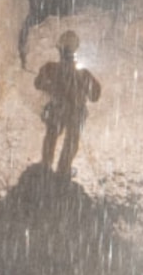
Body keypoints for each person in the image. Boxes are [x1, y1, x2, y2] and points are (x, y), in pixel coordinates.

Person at [34, 29, 102, 176]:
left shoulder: (50, 68)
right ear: (76, 49)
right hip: (76, 112)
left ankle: (46, 166)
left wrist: (53, 88)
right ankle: (63, 169)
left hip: (57, 109)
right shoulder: (83, 74)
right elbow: (95, 95)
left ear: (59, 49)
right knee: (72, 140)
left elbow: (38, 83)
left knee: (51, 135)